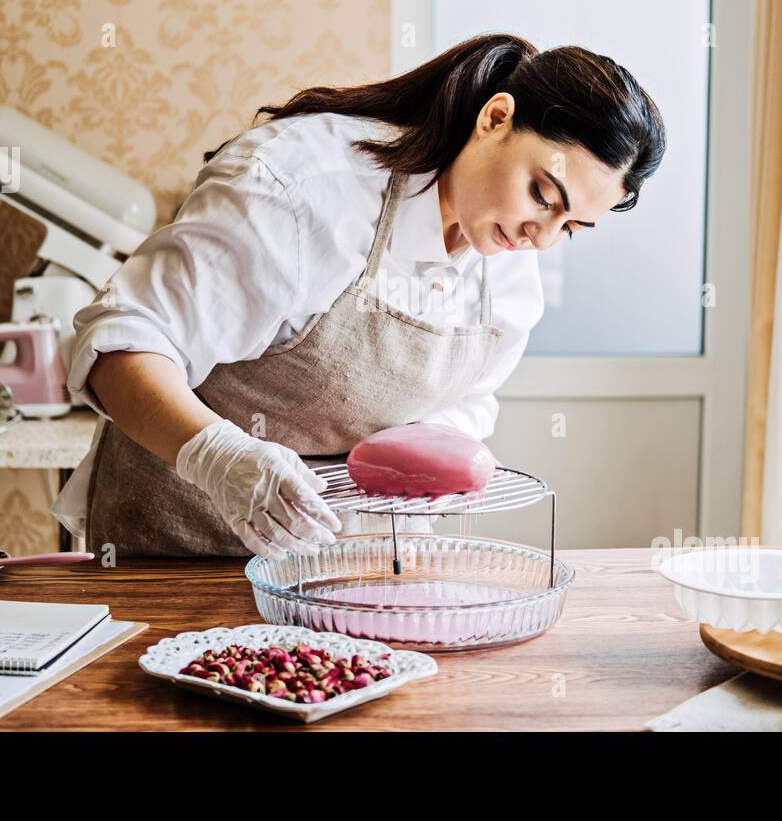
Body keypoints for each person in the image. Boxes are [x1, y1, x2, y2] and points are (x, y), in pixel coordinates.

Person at [51, 32, 666, 559]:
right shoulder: (300, 186)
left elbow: (466, 404)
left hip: (347, 570)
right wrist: (219, 459)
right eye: (542, 194)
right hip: (176, 551)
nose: (542, 238)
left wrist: (415, 467)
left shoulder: (506, 263)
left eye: (573, 227)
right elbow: (121, 346)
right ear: (495, 118)